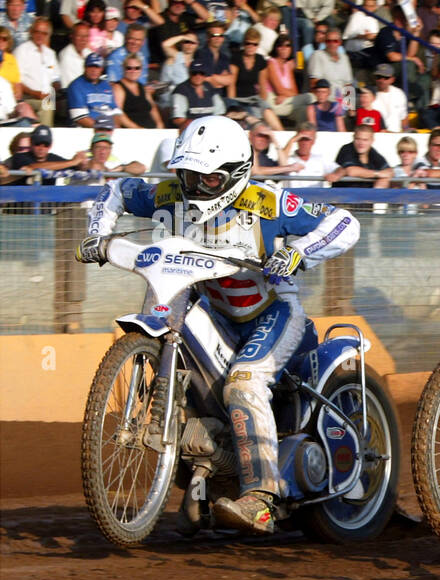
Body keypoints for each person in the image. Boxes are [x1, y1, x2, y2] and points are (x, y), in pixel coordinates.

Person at [75, 115, 360, 534]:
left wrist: (298, 252)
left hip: (272, 311)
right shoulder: (169, 194)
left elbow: (344, 222)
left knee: (243, 383)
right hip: (213, 310)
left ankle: (262, 499)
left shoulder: (267, 201)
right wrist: (98, 232)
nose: (194, 187)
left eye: (206, 178)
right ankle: (201, 478)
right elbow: (118, 189)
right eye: (188, 175)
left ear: (235, 172)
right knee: (185, 366)